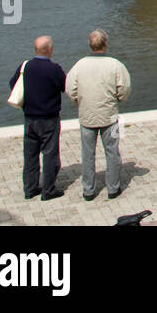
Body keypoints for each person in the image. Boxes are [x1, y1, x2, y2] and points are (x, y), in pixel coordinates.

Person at [65, 29, 132, 200]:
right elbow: (124, 88)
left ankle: (88, 190)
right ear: (105, 43)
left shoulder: (79, 65)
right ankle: (113, 188)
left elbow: (70, 88)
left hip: (86, 116)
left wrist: (78, 102)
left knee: (87, 154)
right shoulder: (115, 64)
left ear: (90, 45)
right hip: (110, 115)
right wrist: (118, 100)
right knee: (112, 151)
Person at [11, 35, 67, 201]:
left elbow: (13, 84)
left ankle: (30, 188)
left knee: (30, 155)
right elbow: (64, 86)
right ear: (49, 49)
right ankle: (48, 190)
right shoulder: (54, 68)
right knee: (50, 155)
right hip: (49, 118)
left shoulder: (24, 66)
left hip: (29, 118)